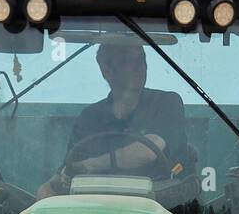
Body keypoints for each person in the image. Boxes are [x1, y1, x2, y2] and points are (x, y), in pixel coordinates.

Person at [37, 41, 189, 197]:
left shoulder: (166, 102)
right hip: (95, 212)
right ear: (106, 70)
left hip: (163, 212)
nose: (139, 67)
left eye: (141, 59)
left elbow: (149, 150)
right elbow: (64, 174)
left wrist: (89, 165)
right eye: (129, 60)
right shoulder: (89, 117)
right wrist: (47, 192)